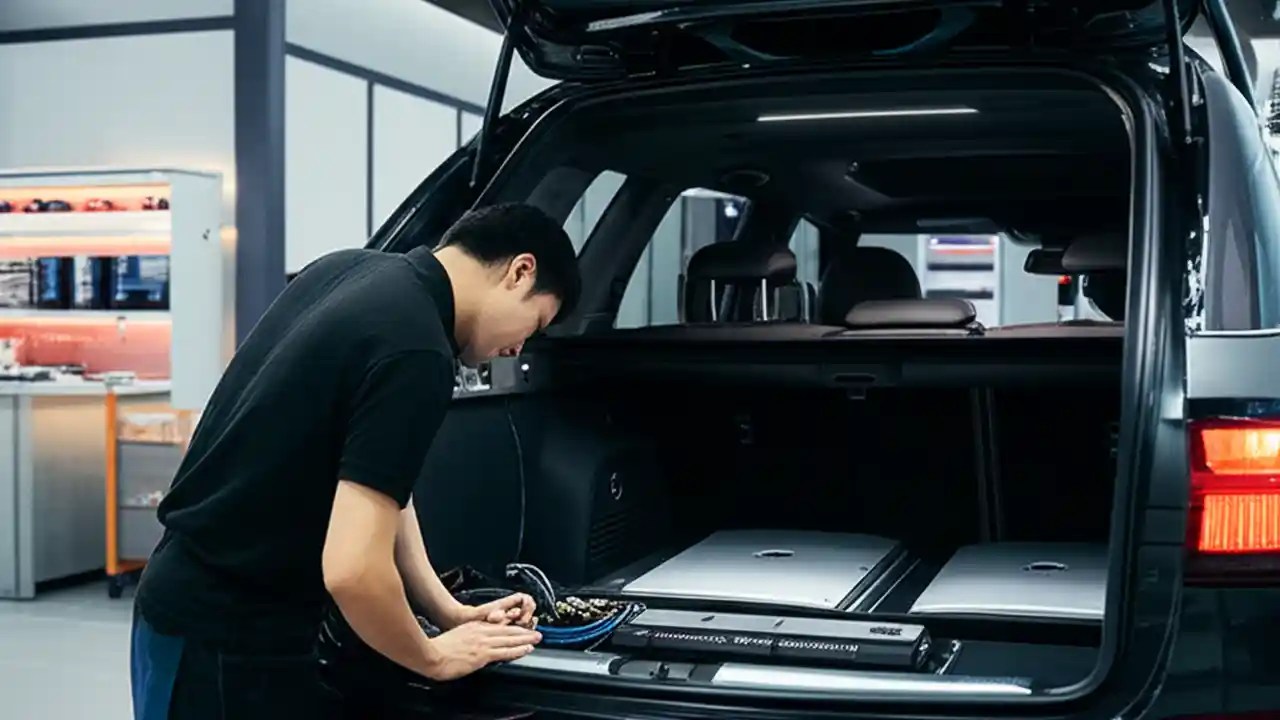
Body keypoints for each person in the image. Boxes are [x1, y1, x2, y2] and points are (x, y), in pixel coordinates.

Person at [129, 203, 581, 719]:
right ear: (519, 271)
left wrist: (446, 610)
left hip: (191, 606)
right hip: (224, 640)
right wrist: (431, 656)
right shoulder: (418, 351)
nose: (519, 347)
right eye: (535, 323)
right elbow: (351, 569)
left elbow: (379, 483)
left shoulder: (351, 270)